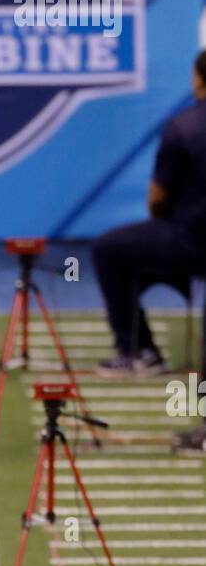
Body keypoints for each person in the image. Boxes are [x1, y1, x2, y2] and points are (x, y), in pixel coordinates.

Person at [93, 50, 206, 377]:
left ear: (197, 78)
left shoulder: (184, 128)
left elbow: (157, 199)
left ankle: (138, 350)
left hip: (190, 240)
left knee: (109, 250)